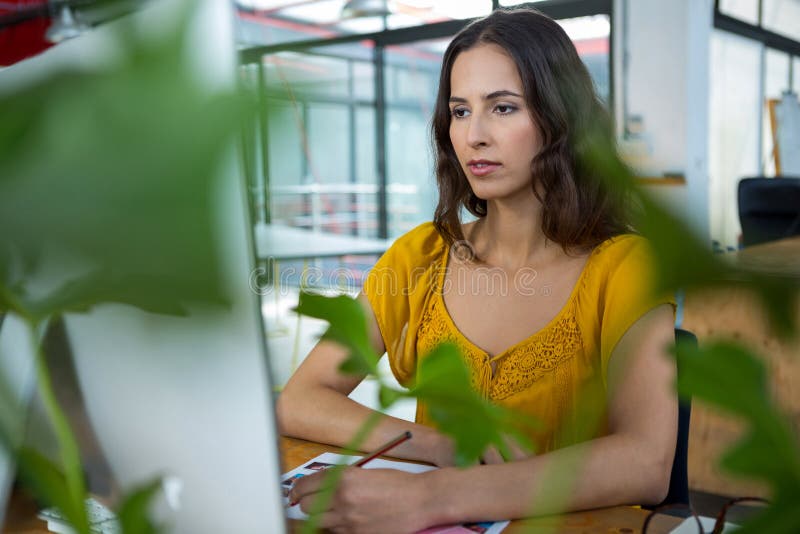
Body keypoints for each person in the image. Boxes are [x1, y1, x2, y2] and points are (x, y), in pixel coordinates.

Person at [277, 7, 677, 533]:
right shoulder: (418, 257)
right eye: (460, 112)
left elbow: (646, 462)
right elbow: (299, 399)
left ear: (563, 118)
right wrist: (440, 446)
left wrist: (436, 496)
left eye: (503, 108)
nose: (474, 136)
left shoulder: (626, 267)